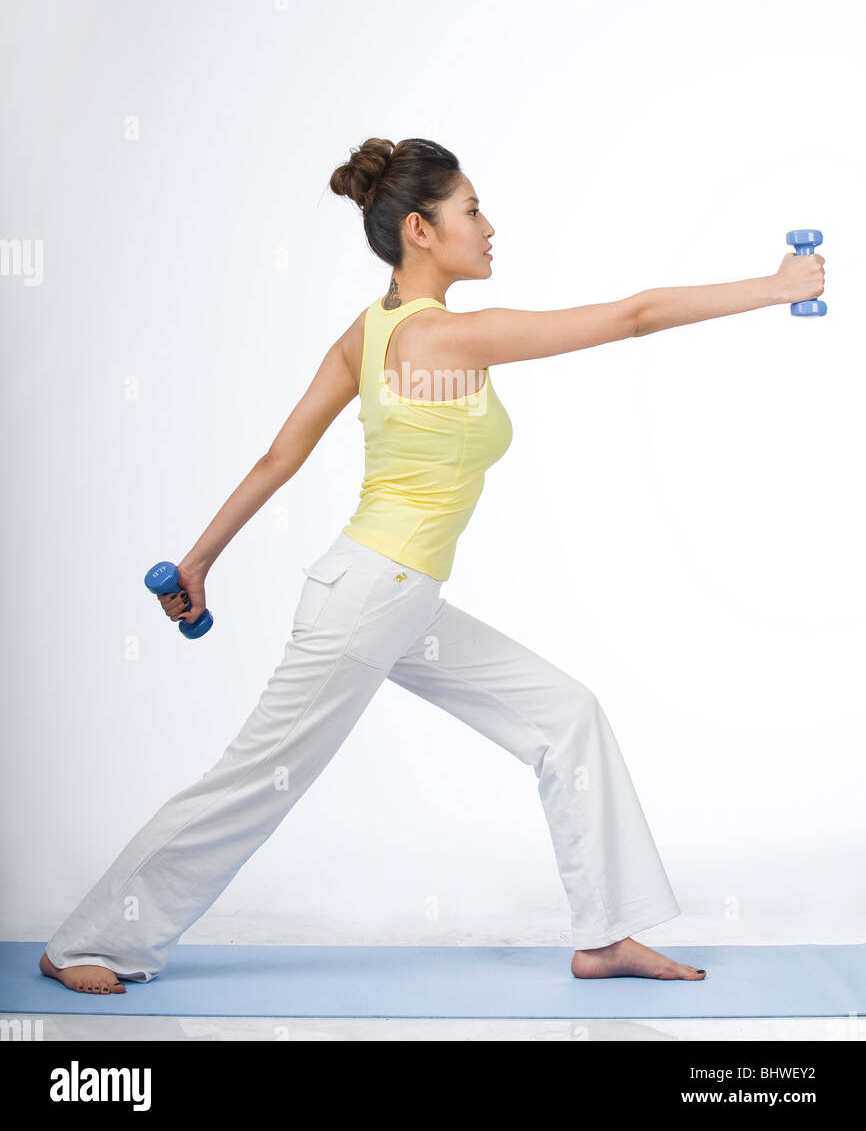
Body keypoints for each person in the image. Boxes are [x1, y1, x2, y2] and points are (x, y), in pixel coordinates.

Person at [40, 136, 824, 994]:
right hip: (370, 600)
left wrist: (198, 561)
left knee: (566, 716)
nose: (489, 228)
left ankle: (607, 937)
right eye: (473, 210)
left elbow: (278, 456)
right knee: (252, 781)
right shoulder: (454, 337)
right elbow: (632, 316)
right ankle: (87, 940)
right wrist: (776, 289)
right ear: (420, 228)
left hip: (394, 599)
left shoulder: (369, 334)